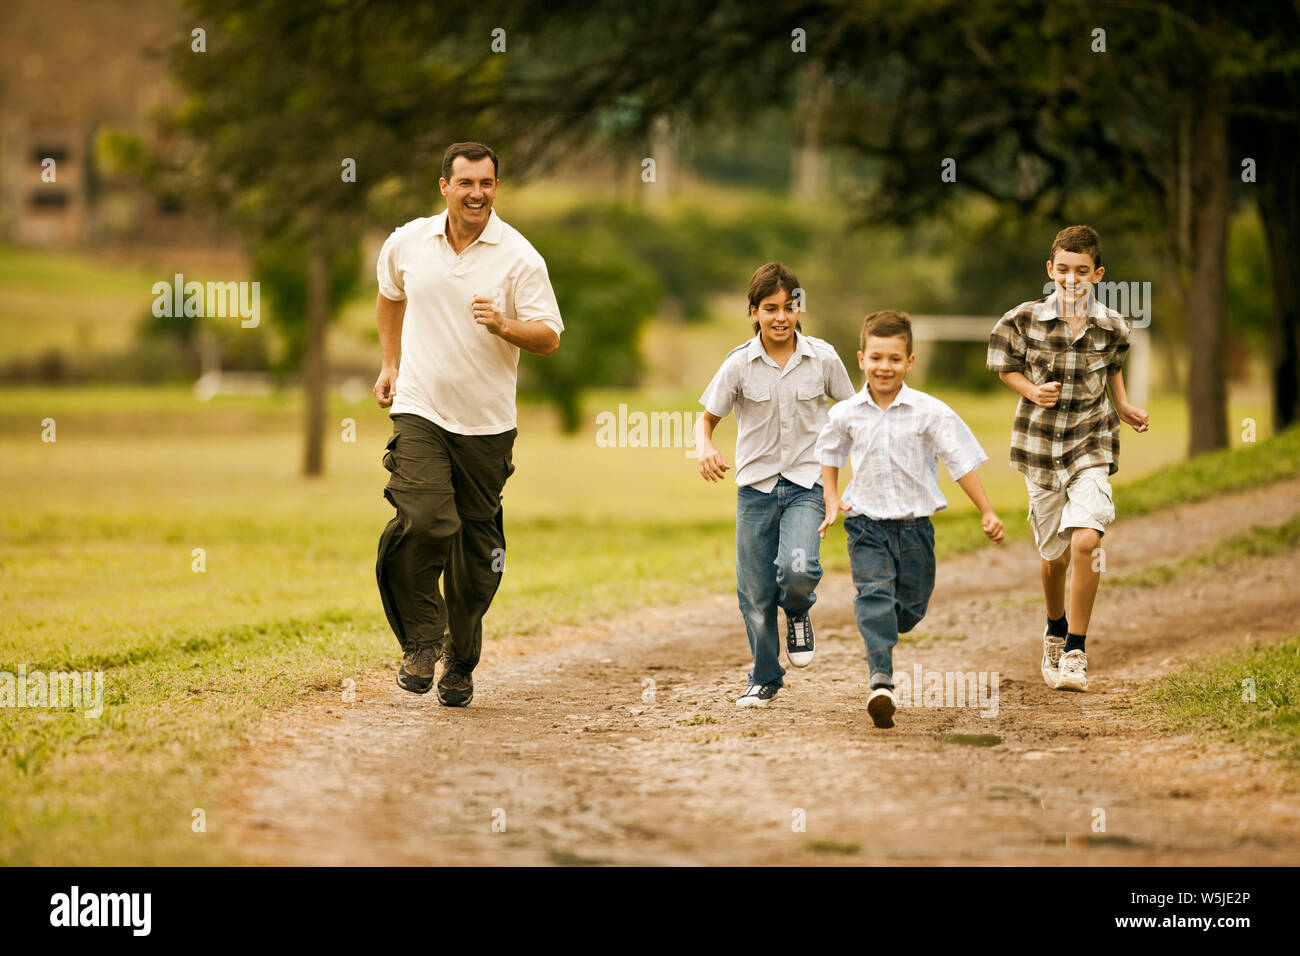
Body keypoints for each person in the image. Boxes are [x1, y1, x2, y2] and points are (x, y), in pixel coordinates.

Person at [373, 142, 563, 705]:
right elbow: (390, 295)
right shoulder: (408, 241)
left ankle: (461, 658)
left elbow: (550, 335)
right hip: (420, 408)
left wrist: (504, 325)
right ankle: (422, 642)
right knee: (426, 519)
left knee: (477, 564)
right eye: (466, 183)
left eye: (486, 183)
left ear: (496, 188)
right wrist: (390, 364)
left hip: (486, 427)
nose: (477, 193)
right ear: (444, 187)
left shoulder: (520, 257)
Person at [817, 310, 1005, 729]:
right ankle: (881, 680)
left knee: (911, 608)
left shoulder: (929, 412)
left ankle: (884, 627)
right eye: (877, 358)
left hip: (916, 528)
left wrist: (987, 511)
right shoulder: (846, 412)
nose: (885, 367)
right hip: (865, 524)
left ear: (910, 362)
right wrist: (831, 497)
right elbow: (828, 455)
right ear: (861, 358)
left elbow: (960, 463)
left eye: (895, 359)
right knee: (874, 595)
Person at [986, 224, 1149, 693]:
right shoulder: (1022, 320)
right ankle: (1054, 627)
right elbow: (1003, 365)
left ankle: (1076, 648)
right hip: (1041, 449)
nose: (1071, 279)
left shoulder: (1113, 326)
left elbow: (1113, 366)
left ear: (1097, 273)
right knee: (1053, 557)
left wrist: (1124, 406)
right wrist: (1032, 391)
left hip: (1091, 443)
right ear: (1049, 270)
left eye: (1082, 271)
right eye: (1063, 270)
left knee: (1086, 541)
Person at [695, 263, 855, 708]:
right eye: (770, 309)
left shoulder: (822, 358)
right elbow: (706, 419)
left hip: (807, 484)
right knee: (756, 592)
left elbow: (852, 412)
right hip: (755, 488)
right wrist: (705, 447)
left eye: (789, 307)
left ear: (799, 308)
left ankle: (799, 610)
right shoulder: (738, 364)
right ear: (754, 311)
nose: (781, 317)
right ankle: (764, 676)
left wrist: (844, 482)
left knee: (797, 571)